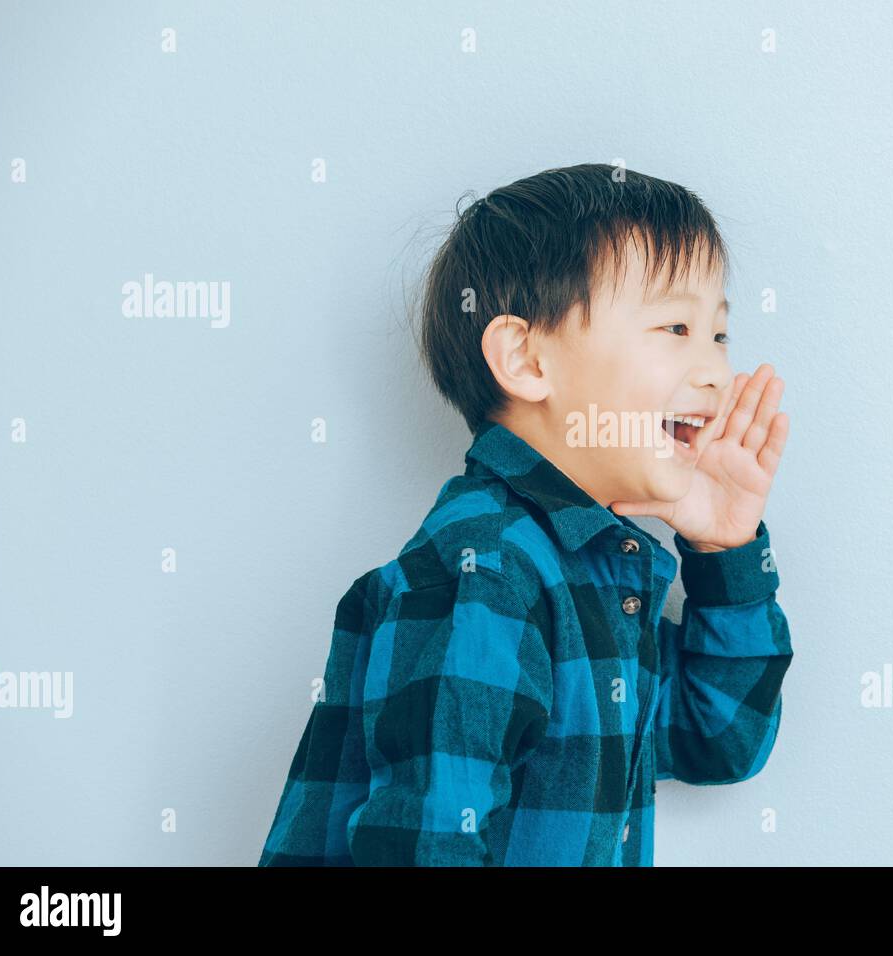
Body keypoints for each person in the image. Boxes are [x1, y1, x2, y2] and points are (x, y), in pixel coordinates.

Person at [258, 163, 793, 866]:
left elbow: (715, 738)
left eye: (718, 336)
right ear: (525, 360)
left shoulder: (599, 572)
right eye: (676, 327)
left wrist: (724, 549)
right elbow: (427, 848)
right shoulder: (486, 572)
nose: (716, 372)